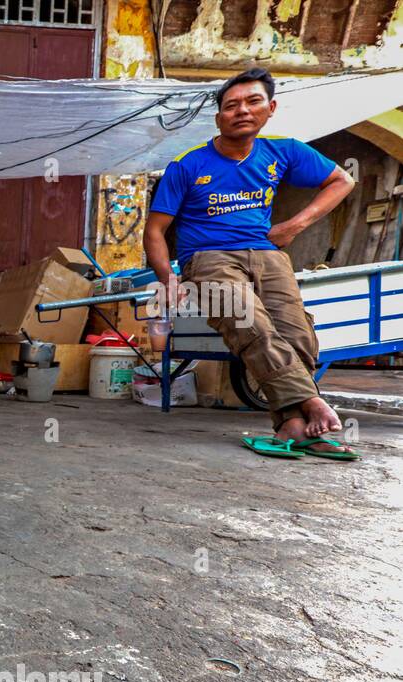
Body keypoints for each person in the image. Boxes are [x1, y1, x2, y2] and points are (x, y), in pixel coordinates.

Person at [144, 67, 358, 460]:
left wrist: (294, 226)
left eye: (252, 101)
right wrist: (167, 278)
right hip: (206, 258)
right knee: (249, 323)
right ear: (219, 118)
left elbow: (343, 180)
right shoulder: (187, 165)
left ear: (270, 108)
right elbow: (155, 230)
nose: (242, 110)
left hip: (267, 253)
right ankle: (312, 403)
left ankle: (292, 425)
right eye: (231, 106)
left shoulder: (285, 150)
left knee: (299, 335)